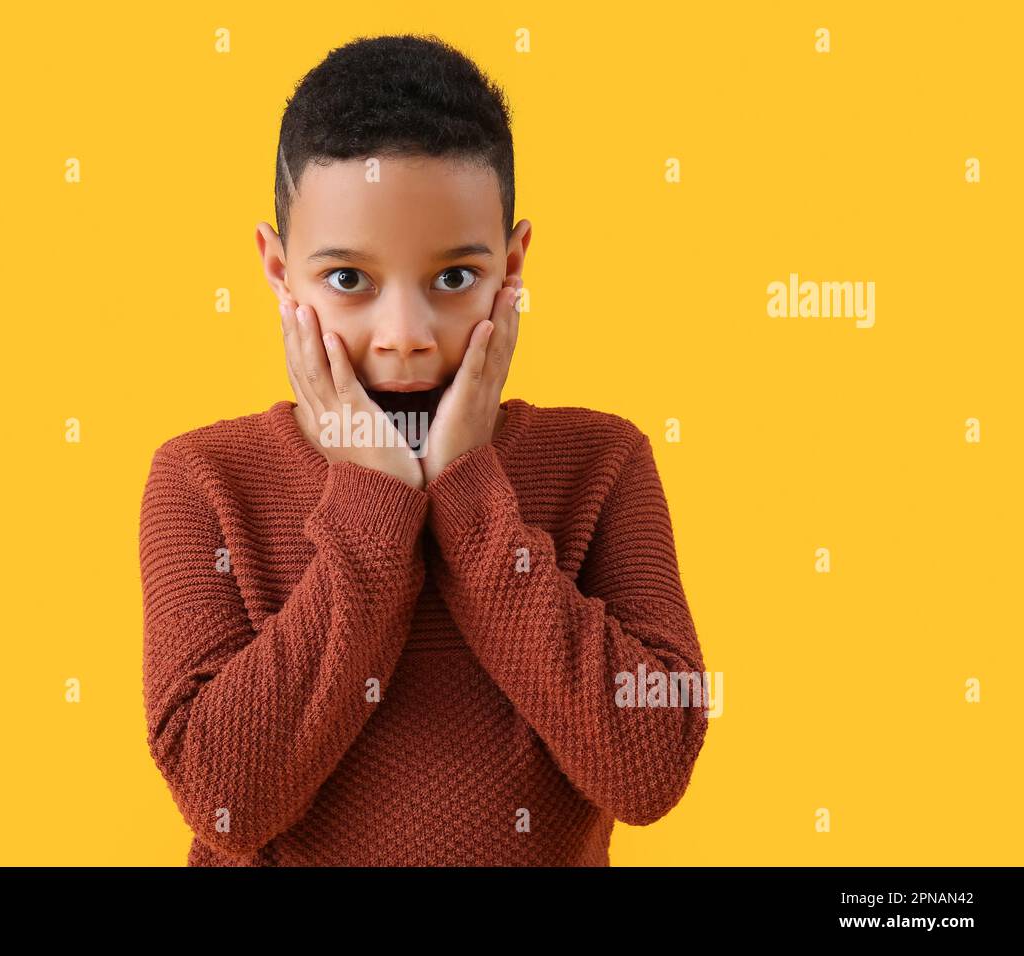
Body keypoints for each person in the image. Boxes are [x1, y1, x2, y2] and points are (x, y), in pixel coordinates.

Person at [138, 33, 708, 866]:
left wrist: (473, 503)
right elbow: (225, 803)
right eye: (347, 280)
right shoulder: (202, 481)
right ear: (276, 269)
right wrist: (374, 503)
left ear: (512, 267)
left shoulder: (602, 462)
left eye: (453, 280)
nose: (404, 339)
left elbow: (650, 769)